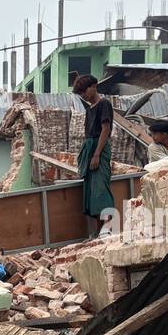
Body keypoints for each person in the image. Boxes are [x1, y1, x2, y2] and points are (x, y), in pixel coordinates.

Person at [73, 75, 113, 237]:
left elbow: (106, 129)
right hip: (90, 148)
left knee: (101, 189)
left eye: (85, 90)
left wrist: (97, 153)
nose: (83, 94)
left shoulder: (104, 104)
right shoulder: (89, 109)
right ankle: (98, 230)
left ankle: (108, 227)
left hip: (99, 149)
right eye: (80, 92)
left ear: (94, 86)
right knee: (91, 193)